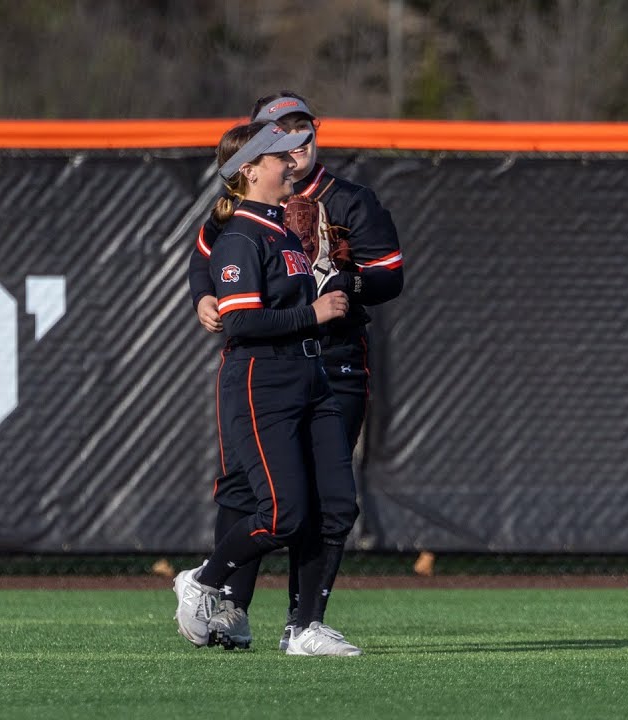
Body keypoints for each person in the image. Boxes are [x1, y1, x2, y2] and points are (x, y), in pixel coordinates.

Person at [187, 92, 404, 651]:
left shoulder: (334, 204)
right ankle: (221, 601)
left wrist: (343, 285)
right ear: (253, 155)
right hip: (268, 368)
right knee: (261, 497)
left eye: (300, 132)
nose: (293, 146)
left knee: (331, 501)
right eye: (278, 137)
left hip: (332, 362)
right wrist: (205, 296)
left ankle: (304, 623)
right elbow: (208, 263)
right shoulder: (245, 220)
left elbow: (386, 277)